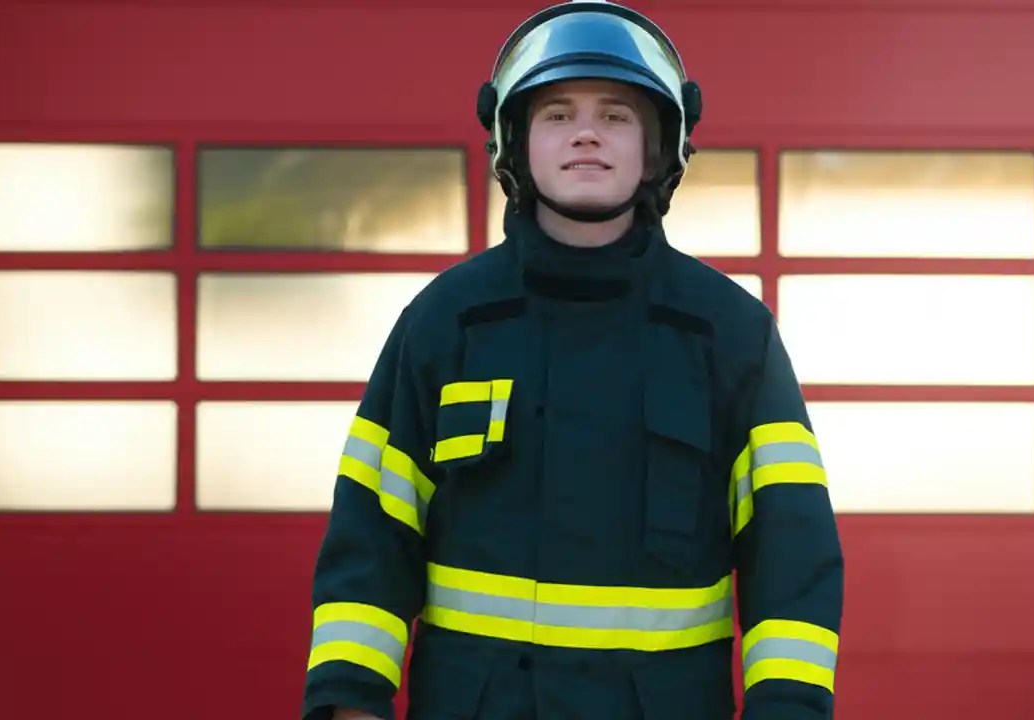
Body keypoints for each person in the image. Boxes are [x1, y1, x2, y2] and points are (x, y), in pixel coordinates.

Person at [299, 1, 844, 718]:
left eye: (616, 114)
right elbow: (371, 535)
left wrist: (788, 708)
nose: (586, 132)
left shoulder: (729, 334)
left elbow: (791, 548)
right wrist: (350, 703)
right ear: (515, 141)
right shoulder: (447, 322)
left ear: (659, 146)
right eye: (557, 114)